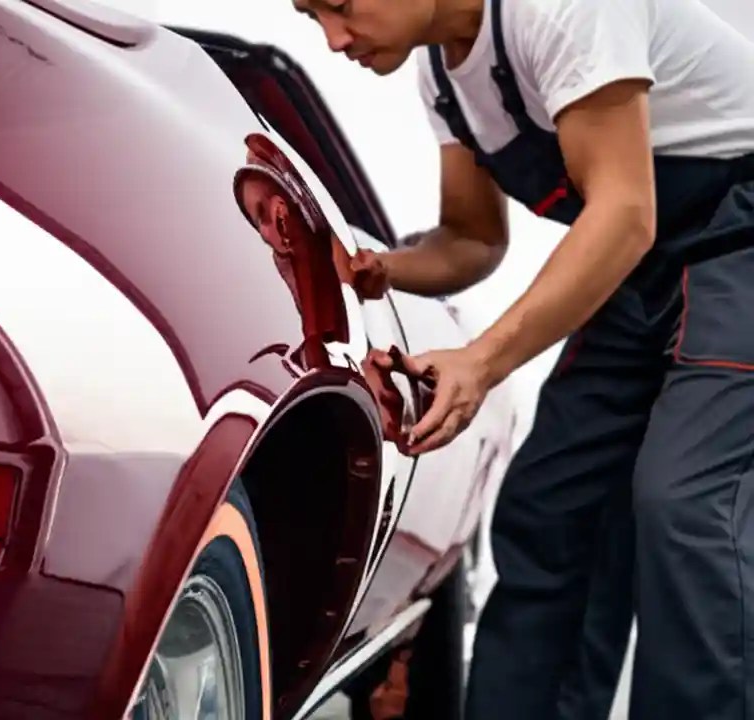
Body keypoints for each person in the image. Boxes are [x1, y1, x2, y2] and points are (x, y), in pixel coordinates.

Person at [292, 0, 754, 718]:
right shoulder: (445, 76)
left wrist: (481, 360)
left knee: (686, 505)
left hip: (738, 240)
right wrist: (379, 265)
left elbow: (626, 213)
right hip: (652, 263)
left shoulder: (564, 11)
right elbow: (473, 240)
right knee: (552, 507)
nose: (333, 38)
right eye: (309, 14)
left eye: (341, 5)